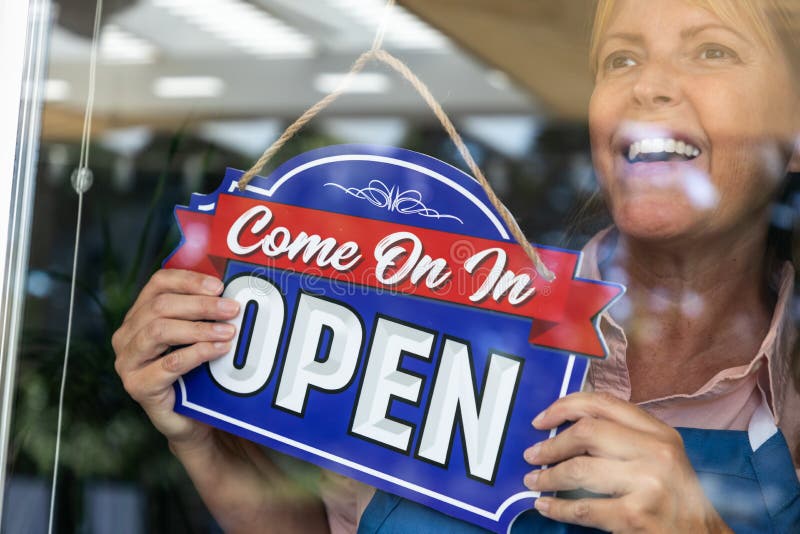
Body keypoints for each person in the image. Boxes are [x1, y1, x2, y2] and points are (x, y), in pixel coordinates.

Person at [112, 0, 800, 531]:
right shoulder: (444, 319)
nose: (650, 85)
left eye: (711, 49)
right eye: (621, 59)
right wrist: (200, 437)